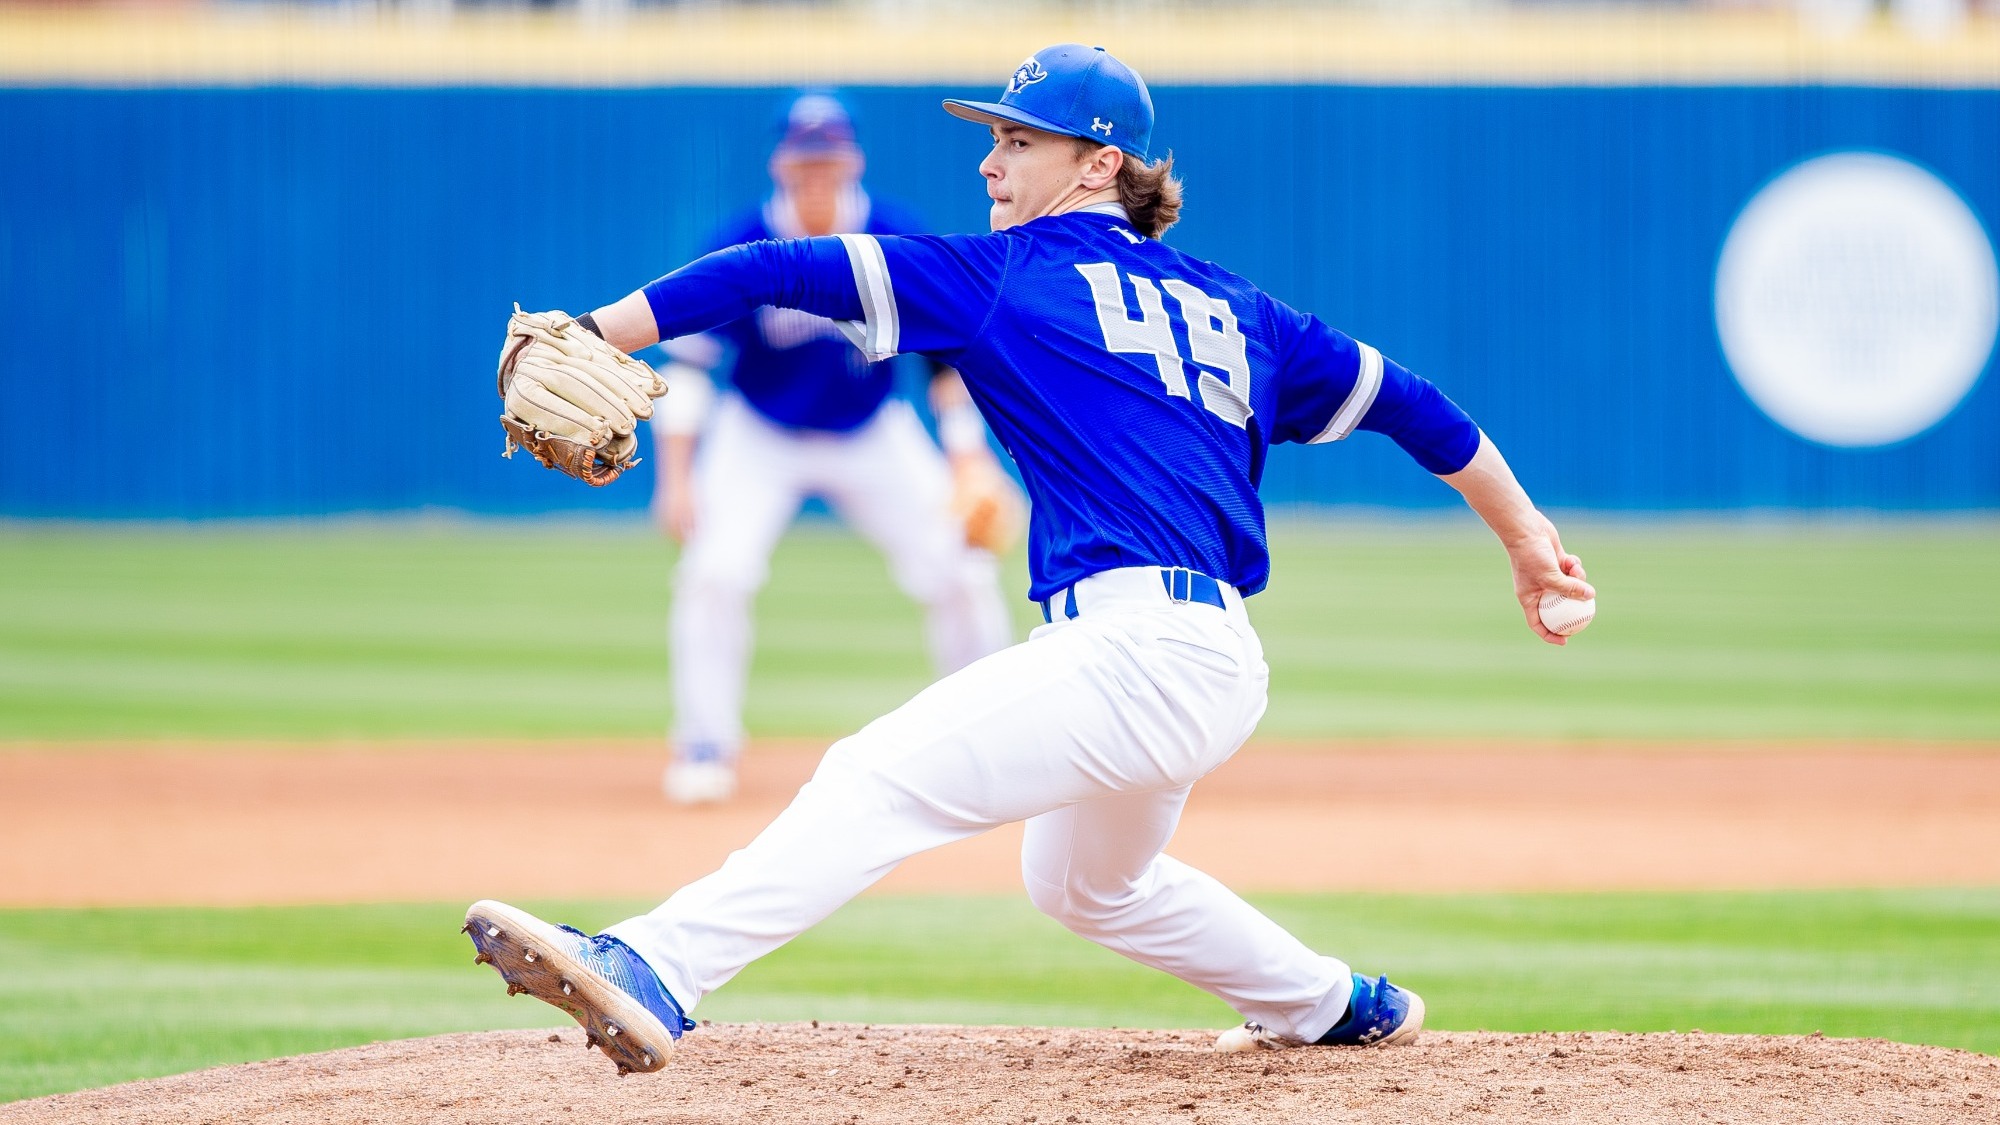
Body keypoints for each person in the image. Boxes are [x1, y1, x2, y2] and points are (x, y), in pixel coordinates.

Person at [465, 44, 1594, 1074]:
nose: (989, 163)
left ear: (1100, 163)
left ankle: (656, 965)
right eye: (994, 138)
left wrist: (599, 328)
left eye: (1017, 140)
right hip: (1207, 659)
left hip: (1137, 653)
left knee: (875, 776)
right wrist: (1527, 543)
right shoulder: (1241, 308)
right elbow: (1416, 405)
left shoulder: (1002, 274)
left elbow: (769, 269)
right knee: (1086, 884)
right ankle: (1334, 1004)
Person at [648, 91, 1016, 804]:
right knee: (714, 573)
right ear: (781, 164)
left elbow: (945, 365)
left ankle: (993, 740)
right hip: (760, 432)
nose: (816, 173)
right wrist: (677, 477)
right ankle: (704, 742)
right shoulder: (741, 238)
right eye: (804, 159)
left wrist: (969, 460)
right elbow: (689, 368)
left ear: (853, 162)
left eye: (829, 158)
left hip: (871, 428)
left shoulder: (892, 233)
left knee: (960, 569)